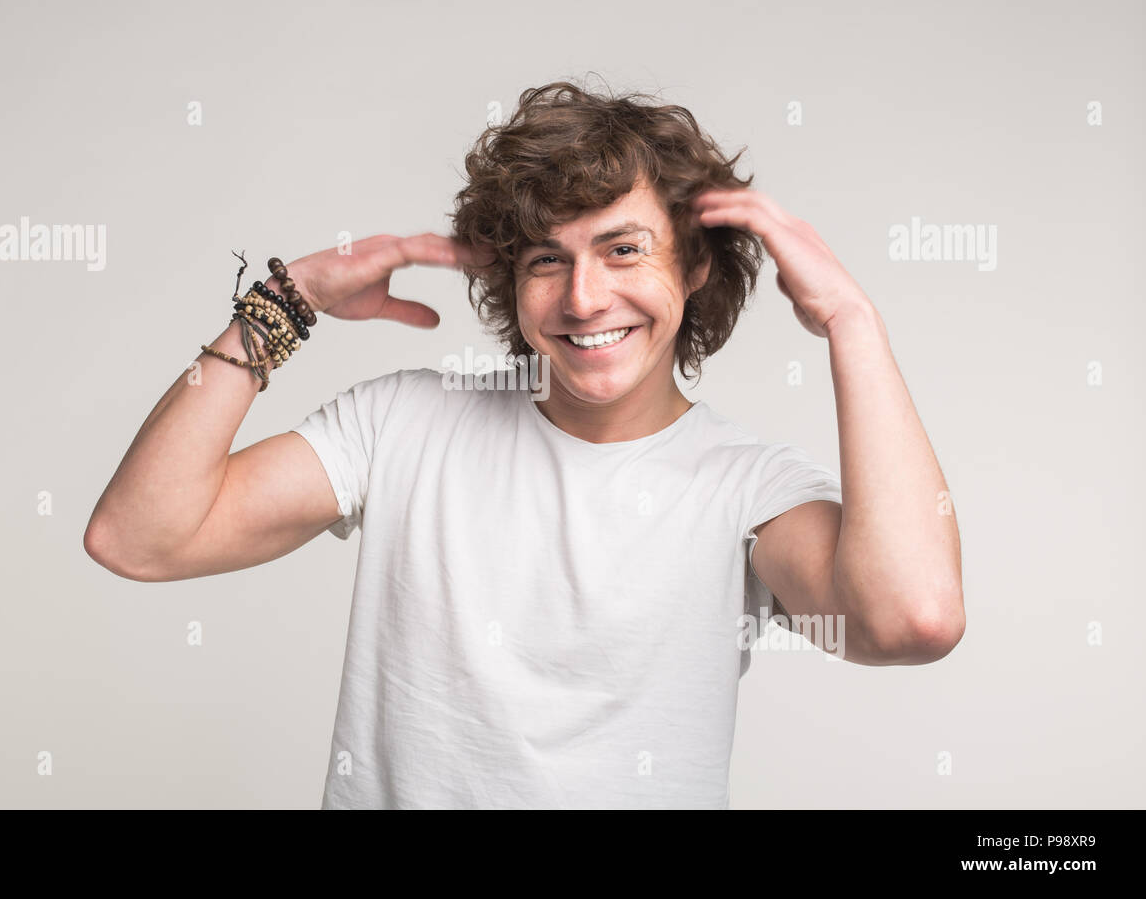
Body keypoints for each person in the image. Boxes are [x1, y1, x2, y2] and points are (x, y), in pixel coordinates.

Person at [84, 80, 965, 809]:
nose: (584, 298)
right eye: (547, 260)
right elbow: (139, 537)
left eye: (624, 250)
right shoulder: (406, 423)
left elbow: (913, 620)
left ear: (696, 269)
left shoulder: (748, 486)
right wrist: (288, 300)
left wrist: (853, 322)